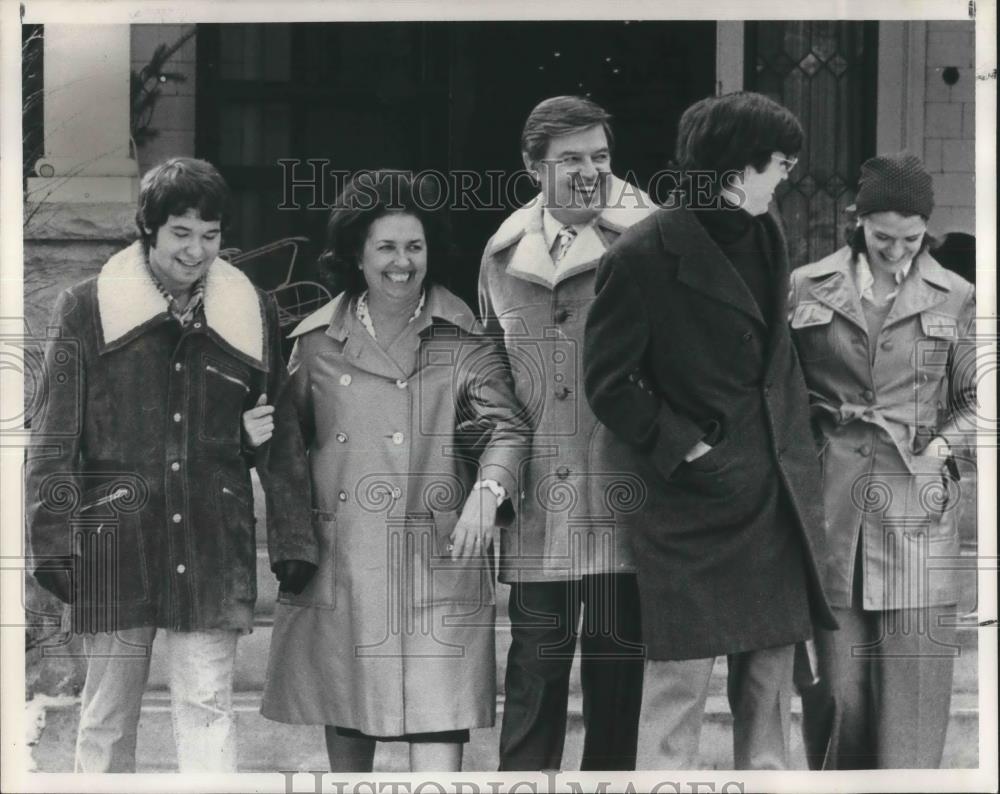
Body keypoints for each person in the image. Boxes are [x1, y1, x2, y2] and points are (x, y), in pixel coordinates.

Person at [25, 157, 316, 772]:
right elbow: (53, 440)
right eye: (181, 234)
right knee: (106, 717)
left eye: (210, 236)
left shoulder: (249, 309)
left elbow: (281, 430)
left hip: (211, 542)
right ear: (148, 230)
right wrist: (50, 546)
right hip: (112, 546)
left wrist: (293, 535)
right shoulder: (86, 308)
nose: (197, 252)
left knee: (209, 708)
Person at [582, 91, 838, 769]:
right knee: (677, 696)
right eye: (780, 162)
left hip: (776, 494)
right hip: (692, 509)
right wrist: (689, 447)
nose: (787, 175)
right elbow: (608, 384)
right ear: (738, 165)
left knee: (769, 691)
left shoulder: (767, 230)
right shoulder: (639, 255)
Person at [251, 170, 530, 773]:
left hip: (437, 561)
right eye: (386, 247)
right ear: (357, 253)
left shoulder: (462, 335)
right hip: (347, 563)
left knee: (438, 739)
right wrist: (252, 440)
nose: (402, 263)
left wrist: (486, 492)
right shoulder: (317, 342)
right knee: (350, 733)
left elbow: (507, 427)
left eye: (415, 246)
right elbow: (280, 442)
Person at [477, 95, 654, 771]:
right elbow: (494, 376)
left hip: (624, 495)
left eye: (601, 157)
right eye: (571, 159)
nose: (590, 173)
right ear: (532, 166)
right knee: (533, 677)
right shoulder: (501, 254)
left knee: (616, 690)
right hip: (540, 504)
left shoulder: (649, 239)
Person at [790, 153, 976, 769]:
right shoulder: (807, 285)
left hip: (918, 510)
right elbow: (780, 390)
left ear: (927, 229)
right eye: (882, 237)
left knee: (913, 695)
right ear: (858, 221)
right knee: (837, 692)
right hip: (831, 506)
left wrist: (943, 448)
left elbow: (983, 400)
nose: (897, 251)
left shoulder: (956, 296)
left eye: (911, 239)